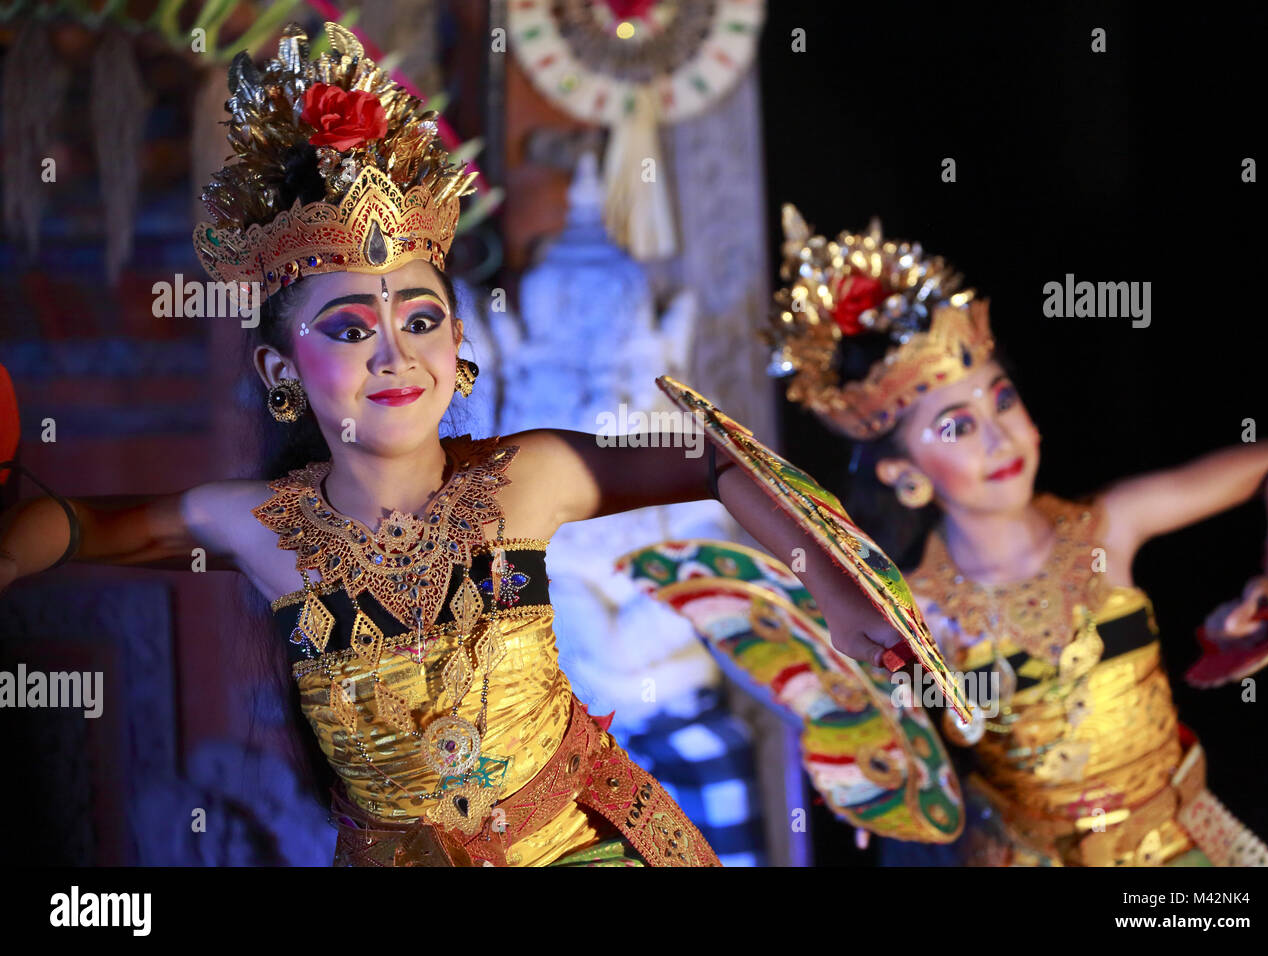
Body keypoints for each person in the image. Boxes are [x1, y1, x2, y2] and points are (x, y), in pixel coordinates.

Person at [0, 24, 905, 868]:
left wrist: (831, 587)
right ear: (281, 364)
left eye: (422, 319)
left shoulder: (529, 480)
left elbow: (711, 455)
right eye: (352, 329)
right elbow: (75, 526)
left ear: (459, 344)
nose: (395, 354)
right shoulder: (259, 527)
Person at [662, 205, 1268, 866]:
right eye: (957, 428)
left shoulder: (1112, 526)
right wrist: (873, 781)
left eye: (1002, 401)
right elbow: (874, 743)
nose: (998, 437)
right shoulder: (910, 610)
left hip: (1182, 851)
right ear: (905, 475)